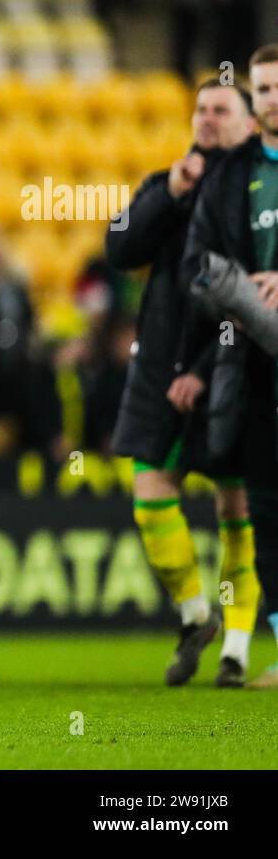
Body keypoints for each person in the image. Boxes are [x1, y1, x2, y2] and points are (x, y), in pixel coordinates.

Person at [106, 77, 257, 688]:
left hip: (231, 364)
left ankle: (237, 651)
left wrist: (204, 368)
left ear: (249, 122)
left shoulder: (254, 192)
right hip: (160, 368)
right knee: (149, 498)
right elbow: (118, 246)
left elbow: (244, 296)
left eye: (222, 108)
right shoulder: (168, 183)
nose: (207, 118)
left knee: (235, 507)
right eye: (200, 108)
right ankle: (197, 614)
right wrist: (168, 192)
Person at [182, 44, 278, 688]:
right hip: (257, 363)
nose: (272, 100)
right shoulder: (231, 176)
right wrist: (242, 294)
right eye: (263, 90)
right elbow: (199, 264)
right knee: (267, 511)